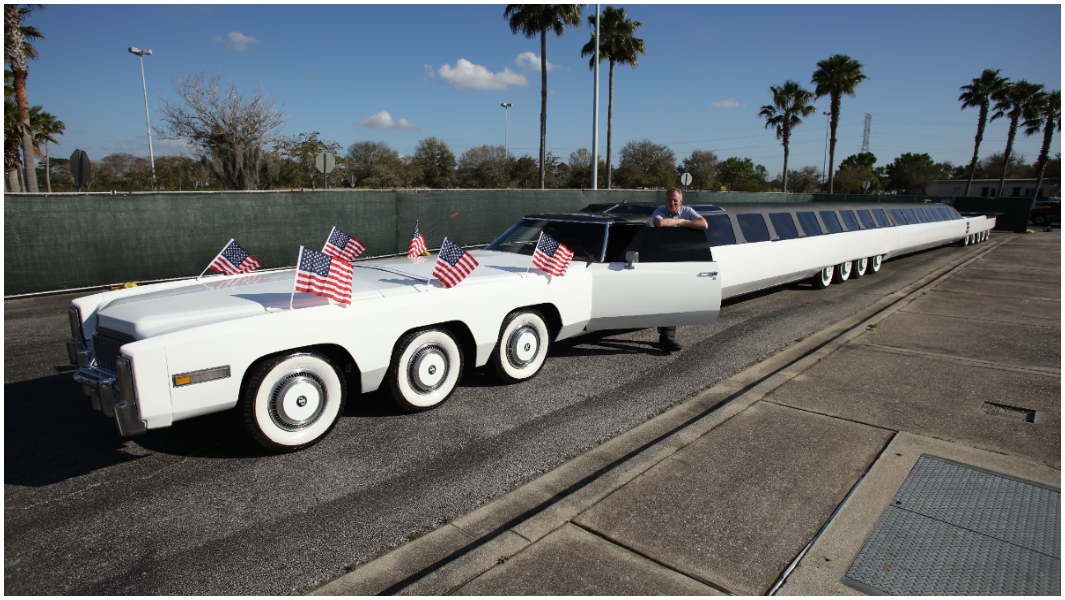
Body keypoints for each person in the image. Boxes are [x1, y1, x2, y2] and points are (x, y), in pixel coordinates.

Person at [652, 188, 708, 352]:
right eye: (669, 200)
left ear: (681, 201)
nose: (672, 203)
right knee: (664, 297)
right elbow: (659, 223)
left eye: (675, 200)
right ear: (665, 201)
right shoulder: (659, 211)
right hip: (660, 259)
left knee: (673, 296)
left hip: (680, 259)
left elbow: (703, 224)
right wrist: (683, 223)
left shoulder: (687, 211)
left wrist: (681, 222)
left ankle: (667, 337)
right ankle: (665, 334)